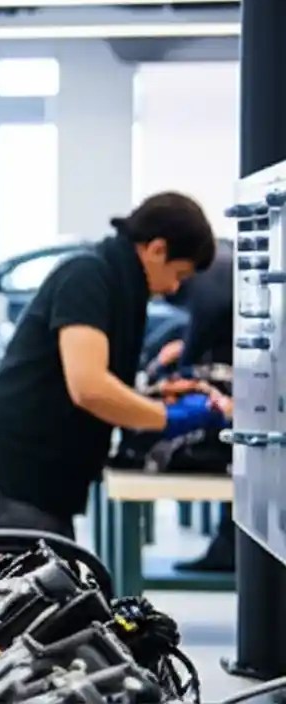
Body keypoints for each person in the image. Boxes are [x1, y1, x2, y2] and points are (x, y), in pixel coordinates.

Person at [0, 192, 223, 538]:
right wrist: (169, 418)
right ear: (156, 249)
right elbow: (89, 387)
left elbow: (88, 380)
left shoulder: (119, 284)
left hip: (35, 494)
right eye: (178, 274)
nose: (173, 288)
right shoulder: (88, 276)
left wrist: (151, 395)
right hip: (6, 494)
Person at [149, 237, 236, 572]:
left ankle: (228, 548)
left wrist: (185, 365)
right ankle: (228, 544)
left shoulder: (207, 275)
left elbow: (208, 314)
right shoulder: (218, 263)